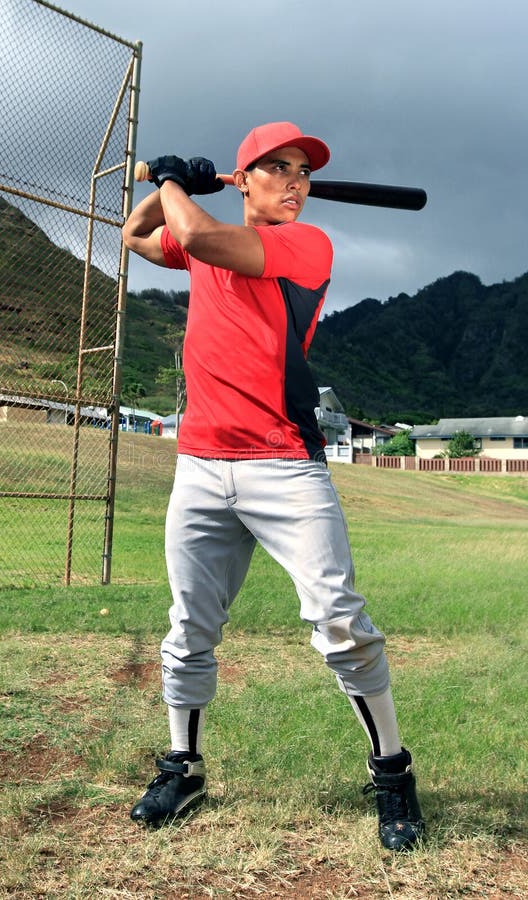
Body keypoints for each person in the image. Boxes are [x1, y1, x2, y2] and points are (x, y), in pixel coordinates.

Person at [121, 122, 425, 851]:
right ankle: (183, 766)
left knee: (341, 622)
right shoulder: (209, 234)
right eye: (277, 168)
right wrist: (171, 186)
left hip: (284, 464)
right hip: (199, 461)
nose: (296, 182)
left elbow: (195, 239)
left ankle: (392, 773)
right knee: (190, 626)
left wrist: (171, 181)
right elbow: (136, 238)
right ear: (244, 178)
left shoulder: (304, 245)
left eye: (303, 171)